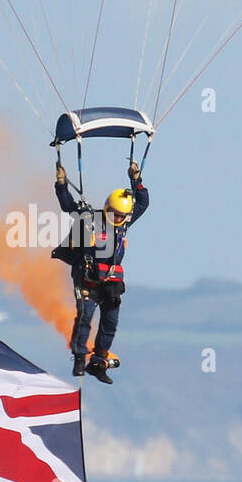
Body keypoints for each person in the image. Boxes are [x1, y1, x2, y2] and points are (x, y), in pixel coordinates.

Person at [54, 159, 149, 383]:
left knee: (110, 321)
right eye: (114, 213)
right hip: (87, 277)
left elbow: (143, 203)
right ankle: (79, 357)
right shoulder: (90, 218)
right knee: (85, 316)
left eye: (121, 215)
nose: (117, 218)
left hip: (110, 281)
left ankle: (98, 362)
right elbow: (68, 205)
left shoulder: (124, 223)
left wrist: (136, 180)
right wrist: (61, 185)